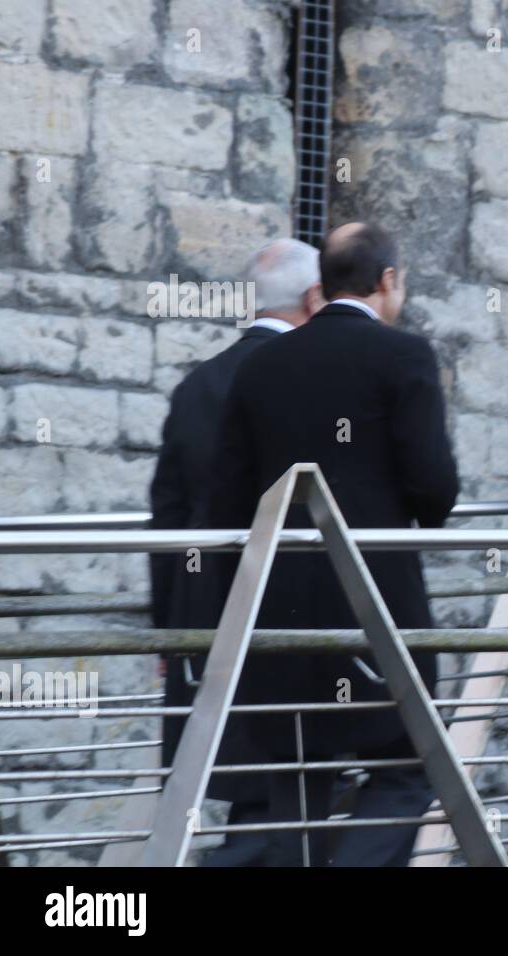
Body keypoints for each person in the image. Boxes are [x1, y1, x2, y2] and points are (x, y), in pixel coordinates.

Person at [211, 222, 459, 866]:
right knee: (408, 762)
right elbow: (435, 491)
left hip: (278, 617)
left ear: (322, 285)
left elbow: (227, 502)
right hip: (377, 615)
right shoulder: (403, 356)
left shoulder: (261, 363)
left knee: (296, 775)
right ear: (386, 281)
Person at [150, 237, 323, 866]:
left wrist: (167, 636)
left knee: (248, 789)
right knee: (285, 793)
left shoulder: (196, 385)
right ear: (314, 298)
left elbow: (165, 518)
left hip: (202, 607)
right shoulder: (309, 383)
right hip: (285, 606)